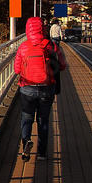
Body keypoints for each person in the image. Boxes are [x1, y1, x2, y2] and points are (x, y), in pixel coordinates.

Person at [15, 17, 67, 161]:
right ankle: (42, 153)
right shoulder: (51, 45)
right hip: (47, 87)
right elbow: (62, 66)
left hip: (27, 88)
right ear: (43, 29)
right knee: (43, 120)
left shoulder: (24, 46)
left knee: (27, 118)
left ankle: (26, 142)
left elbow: (17, 69)